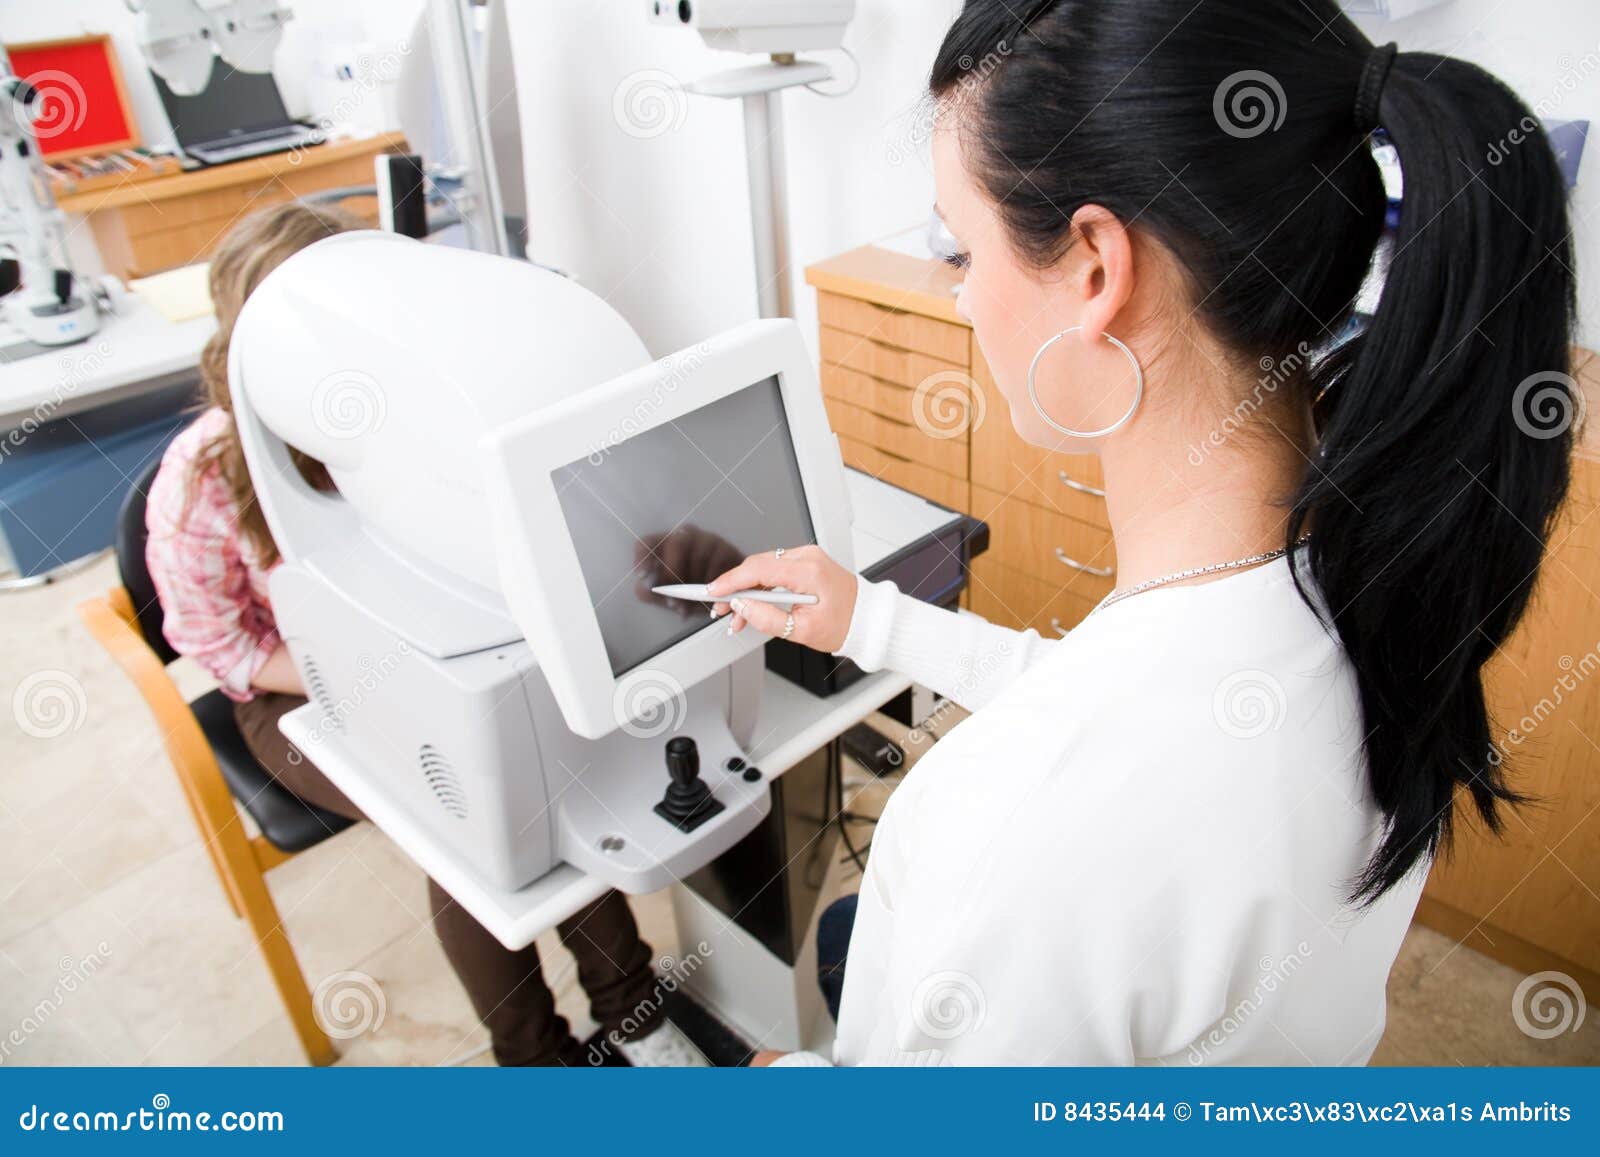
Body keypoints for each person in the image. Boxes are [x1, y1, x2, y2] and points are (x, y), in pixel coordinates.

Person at [711, 0, 1577, 1065]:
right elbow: (1111, 704)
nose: (965, 294)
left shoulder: (1029, 846)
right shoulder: (1362, 557)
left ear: (1093, 271)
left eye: (962, 245)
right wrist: (874, 621)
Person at [145, 202, 705, 1068]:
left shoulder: (402, 412)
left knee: (545, 781)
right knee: (475, 822)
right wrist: (376, 679)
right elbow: (222, 649)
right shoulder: (200, 478)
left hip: (427, 657)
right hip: (295, 693)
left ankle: (634, 1015)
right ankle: (534, 1056)